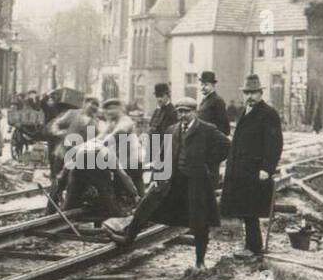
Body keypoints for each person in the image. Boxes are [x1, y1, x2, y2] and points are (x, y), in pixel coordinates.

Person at [114, 98, 230, 270]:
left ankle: (200, 261)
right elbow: (162, 156)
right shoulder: (171, 130)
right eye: (180, 112)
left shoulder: (207, 129)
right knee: (146, 204)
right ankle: (128, 237)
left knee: (200, 221)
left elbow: (227, 145)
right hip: (172, 180)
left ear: (194, 112)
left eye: (186, 111)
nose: (182, 115)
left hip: (196, 182)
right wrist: (156, 178)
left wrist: (208, 163)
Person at [220, 74, 284, 257]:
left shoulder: (268, 114)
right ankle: (250, 245)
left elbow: (275, 144)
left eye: (253, 93)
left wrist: (267, 168)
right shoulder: (245, 112)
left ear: (260, 93)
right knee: (245, 208)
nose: (250, 96)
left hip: (255, 170)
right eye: (247, 92)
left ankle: (254, 247)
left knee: (251, 209)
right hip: (241, 169)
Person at [98, 96, 145, 194]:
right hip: (121, 160)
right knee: (118, 185)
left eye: (112, 109)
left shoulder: (125, 120)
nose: (109, 112)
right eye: (107, 109)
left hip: (133, 159)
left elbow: (120, 131)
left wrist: (104, 142)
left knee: (136, 185)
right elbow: (102, 135)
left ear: (119, 109)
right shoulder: (111, 122)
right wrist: (89, 143)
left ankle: (142, 204)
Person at [197, 71, 231, 137]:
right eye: (202, 84)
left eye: (206, 84)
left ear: (213, 85)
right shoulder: (204, 101)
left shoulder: (218, 101)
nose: (202, 87)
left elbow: (224, 128)